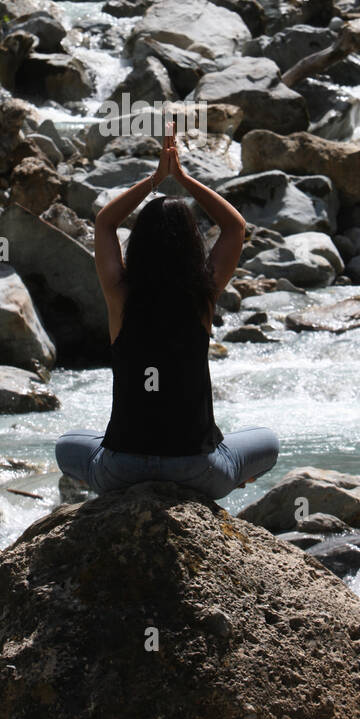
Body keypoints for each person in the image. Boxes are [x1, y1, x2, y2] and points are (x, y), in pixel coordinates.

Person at [55, 124, 280, 499]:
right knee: (267, 441)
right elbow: (234, 226)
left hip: (121, 470)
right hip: (198, 472)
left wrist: (154, 180)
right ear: (193, 246)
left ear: (138, 245)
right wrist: (184, 179)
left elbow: (105, 223)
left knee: (67, 445)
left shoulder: (120, 296)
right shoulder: (201, 298)